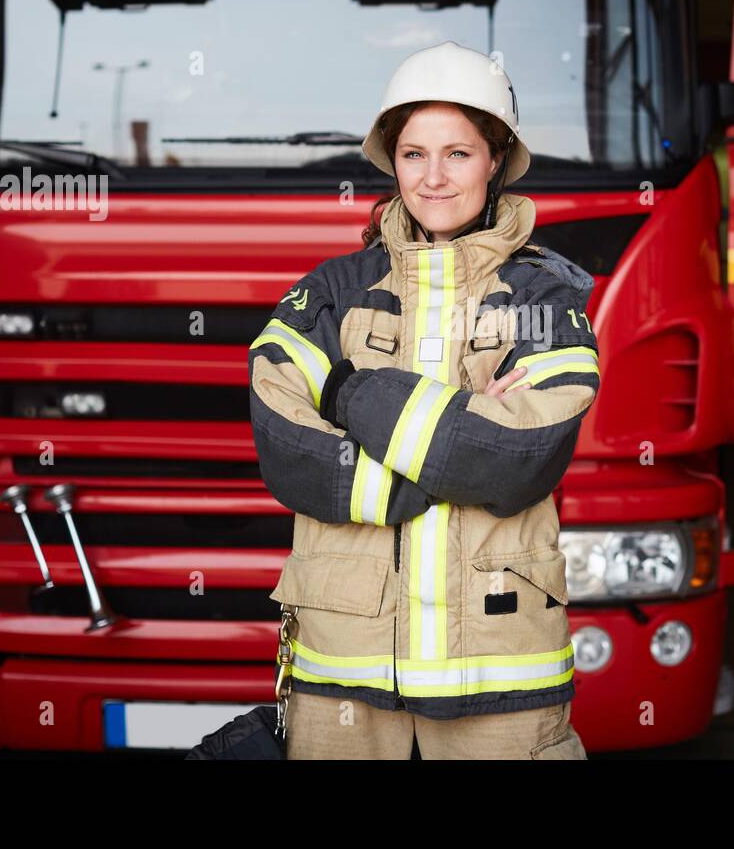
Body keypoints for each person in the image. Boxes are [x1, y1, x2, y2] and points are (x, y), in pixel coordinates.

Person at [248, 40, 599, 759]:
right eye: (413, 154)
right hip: (343, 667)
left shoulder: (545, 298)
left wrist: (348, 391)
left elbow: (514, 460)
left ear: (497, 159)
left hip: (502, 671)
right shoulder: (332, 290)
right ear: (392, 161)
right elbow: (286, 448)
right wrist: (450, 443)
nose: (433, 178)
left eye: (458, 154)